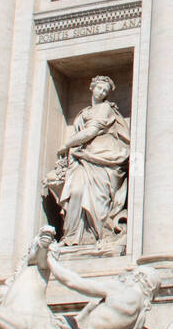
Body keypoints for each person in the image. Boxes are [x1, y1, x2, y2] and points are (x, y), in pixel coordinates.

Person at [56, 76, 130, 247]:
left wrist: (66, 145)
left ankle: (95, 235)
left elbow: (91, 132)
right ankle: (72, 236)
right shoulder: (84, 112)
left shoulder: (105, 108)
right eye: (100, 88)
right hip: (83, 158)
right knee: (75, 191)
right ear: (92, 87)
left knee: (98, 198)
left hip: (102, 157)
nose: (102, 92)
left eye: (105, 90)